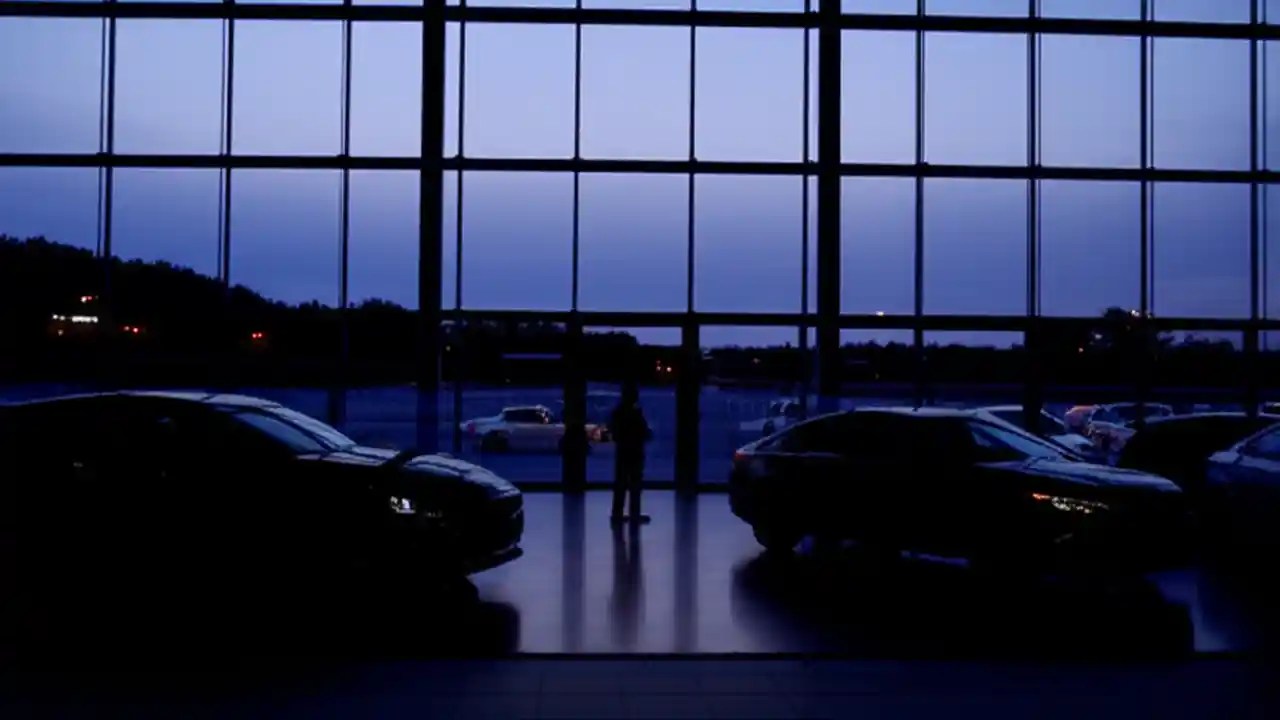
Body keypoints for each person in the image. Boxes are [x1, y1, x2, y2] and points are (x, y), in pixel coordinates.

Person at [608, 380, 651, 525]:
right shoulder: (636, 413)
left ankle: (617, 513)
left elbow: (614, 431)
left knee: (621, 484)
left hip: (623, 452)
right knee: (635, 485)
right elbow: (644, 432)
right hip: (635, 453)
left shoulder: (618, 412)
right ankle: (634, 513)